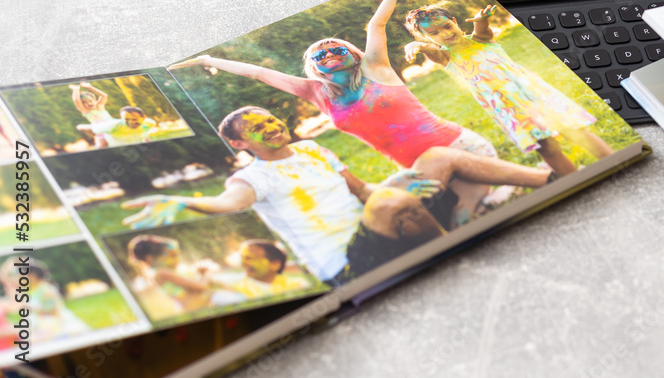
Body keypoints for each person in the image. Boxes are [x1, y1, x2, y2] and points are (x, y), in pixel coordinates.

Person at [168, 0, 547, 223]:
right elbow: (256, 72)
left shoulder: (376, 67)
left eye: (336, 48)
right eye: (320, 54)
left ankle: (502, 190)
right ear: (312, 68)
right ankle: (489, 198)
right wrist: (206, 59)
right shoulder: (314, 91)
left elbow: (376, 25)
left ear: (352, 52)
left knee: (467, 220)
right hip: (418, 170)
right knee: (450, 220)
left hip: (462, 149)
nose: (329, 53)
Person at [122, 106, 553, 283]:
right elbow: (229, 203)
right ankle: (455, 253)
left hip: (379, 223)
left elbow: (364, 192)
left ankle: (546, 182)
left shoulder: (311, 149)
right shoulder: (254, 177)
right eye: (258, 128)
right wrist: (184, 201)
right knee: (391, 200)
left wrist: (394, 185)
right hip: (348, 264)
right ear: (240, 144)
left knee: (436, 157)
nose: (272, 127)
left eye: (272, 119)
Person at [404, 3, 614, 177]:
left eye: (447, 26)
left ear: (455, 22)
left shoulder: (481, 40)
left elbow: (482, 29)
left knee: (575, 131)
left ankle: (614, 161)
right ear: (426, 37)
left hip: (535, 94)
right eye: (435, 33)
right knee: (547, 147)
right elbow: (429, 50)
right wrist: (414, 46)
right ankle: (574, 180)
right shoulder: (445, 56)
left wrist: (481, 19)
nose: (445, 34)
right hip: (510, 108)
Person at [0, 257, 90, 342]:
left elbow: (51, 309)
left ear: (33, 276)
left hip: (54, 323)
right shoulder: (32, 291)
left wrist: (31, 308)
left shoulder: (46, 289)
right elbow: (15, 304)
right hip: (41, 324)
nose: (20, 279)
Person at [126, 235, 214, 319]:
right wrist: (209, 270)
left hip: (195, 309)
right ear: (150, 258)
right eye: (170, 256)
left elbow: (187, 286)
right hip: (197, 310)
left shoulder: (153, 274)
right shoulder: (161, 272)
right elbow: (201, 286)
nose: (176, 260)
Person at [222, 241, 312, 299]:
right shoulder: (236, 285)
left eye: (250, 258)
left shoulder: (297, 284)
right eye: (242, 258)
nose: (243, 263)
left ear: (275, 264)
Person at [77, 106, 158, 147]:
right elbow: (87, 127)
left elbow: (145, 130)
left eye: (134, 119)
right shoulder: (114, 125)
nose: (131, 122)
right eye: (126, 119)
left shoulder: (149, 123)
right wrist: (80, 127)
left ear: (143, 118)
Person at [70, 82, 112, 148]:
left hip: (112, 128)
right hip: (101, 133)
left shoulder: (100, 106)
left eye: (90, 100)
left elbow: (104, 95)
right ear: (82, 105)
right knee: (101, 146)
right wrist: (76, 90)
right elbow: (77, 101)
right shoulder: (86, 111)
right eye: (84, 102)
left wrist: (90, 87)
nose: (89, 103)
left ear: (95, 100)